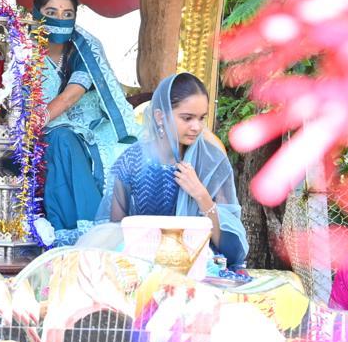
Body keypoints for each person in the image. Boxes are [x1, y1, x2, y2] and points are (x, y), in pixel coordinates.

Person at [97, 72, 249, 269]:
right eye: (187, 118)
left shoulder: (212, 162)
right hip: (141, 268)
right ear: (160, 116)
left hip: (199, 269)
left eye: (201, 118)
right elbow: (116, 234)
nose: (197, 127)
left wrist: (201, 196)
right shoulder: (131, 162)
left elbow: (232, 251)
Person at [33, 0, 142, 246]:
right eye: (51, 12)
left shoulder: (83, 49)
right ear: (37, 15)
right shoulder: (24, 51)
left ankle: (93, 232)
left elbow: (72, 94)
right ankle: (70, 231)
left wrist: (34, 122)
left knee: (65, 139)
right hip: (45, 129)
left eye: (67, 13)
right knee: (61, 138)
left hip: (92, 126)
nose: (60, 18)